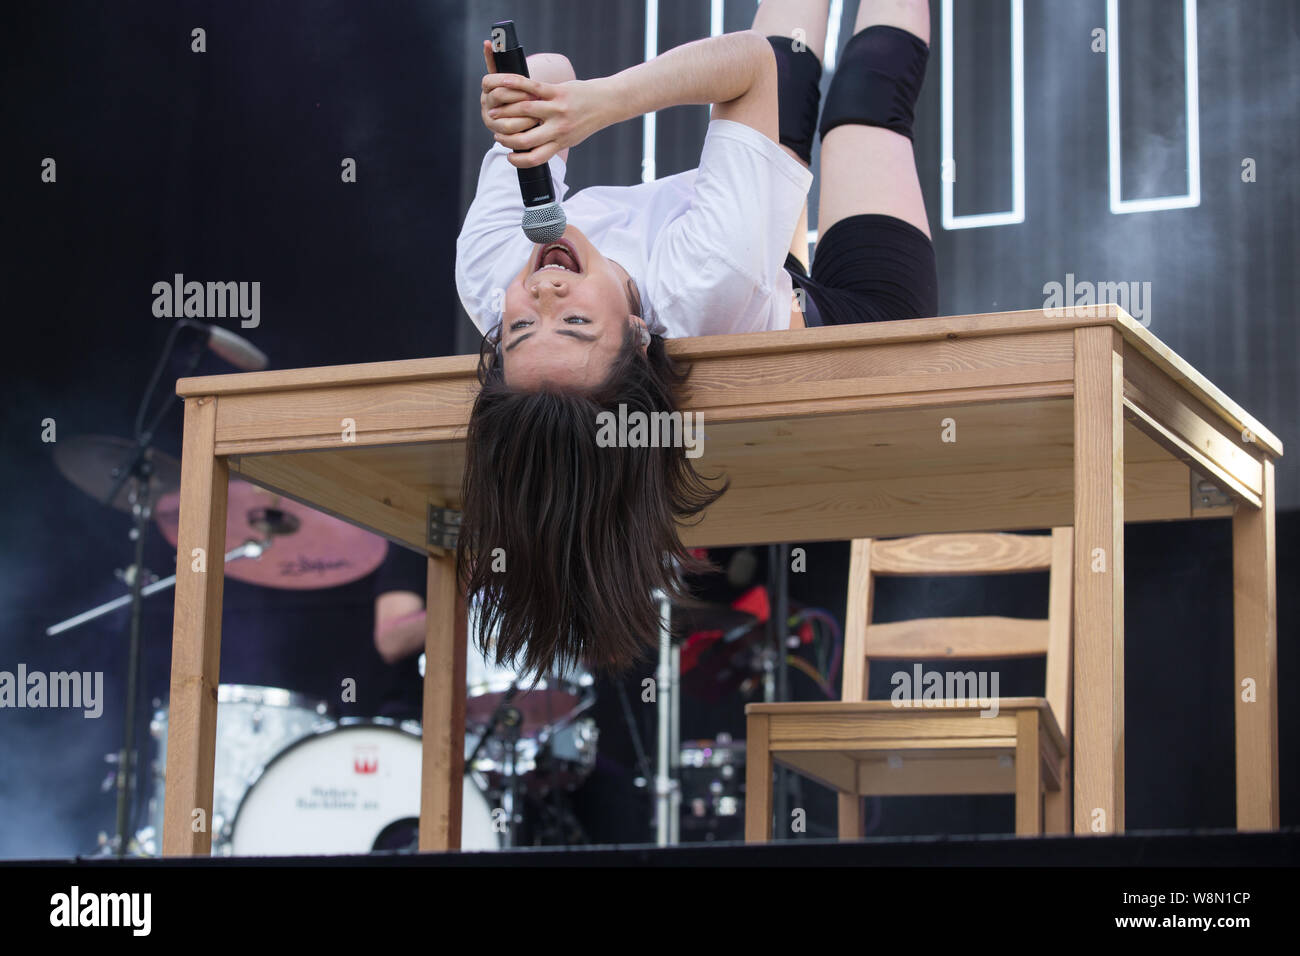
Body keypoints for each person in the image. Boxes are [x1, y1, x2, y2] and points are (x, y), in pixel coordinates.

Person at [454, 0, 937, 681]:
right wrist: (605, 103)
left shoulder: (488, 274)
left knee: (793, 58)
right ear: (642, 332)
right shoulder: (699, 280)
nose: (543, 295)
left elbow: (551, 73)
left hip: (751, 273)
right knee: (866, 100)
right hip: (848, 327)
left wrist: (529, 97)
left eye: (521, 329)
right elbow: (747, 67)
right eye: (576, 324)